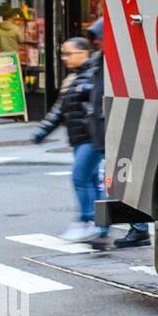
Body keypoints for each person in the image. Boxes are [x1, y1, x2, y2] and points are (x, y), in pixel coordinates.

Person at [32, 38, 108, 248]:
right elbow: (59, 110)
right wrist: (42, 131)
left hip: (91, 138)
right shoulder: (74, 78)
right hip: (79, 138)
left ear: (83, 53)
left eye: (68, 53)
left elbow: (98, 105)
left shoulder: (93, 74)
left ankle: (87, 221)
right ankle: (100, 226)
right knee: (92, 180)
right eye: (63, 54)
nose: (64, 58)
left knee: (80, 177)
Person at [86, 19, 150, 249]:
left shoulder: (119, 60)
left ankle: (139, 229)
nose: (97, 42)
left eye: (100, 37)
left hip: (120, 128)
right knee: (120, 180)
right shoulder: (102, 60)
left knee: (124, 180)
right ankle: (136, 228)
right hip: (108, 129)